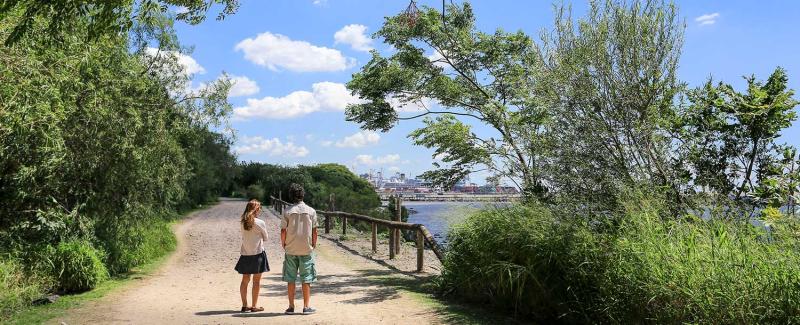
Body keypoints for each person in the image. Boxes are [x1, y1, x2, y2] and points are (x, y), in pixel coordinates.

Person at [280, 183, 318, 315]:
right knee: (306, 278)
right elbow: (314, 231)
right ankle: (306, 306)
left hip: (291, 248)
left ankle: (291, 307)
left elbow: (283, 231)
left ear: (291, 196)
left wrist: (284, 244)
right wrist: (313, 244)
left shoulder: (287, 211)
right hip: (306, 249)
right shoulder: (311, 211)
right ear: (303, 195)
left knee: (290, 278)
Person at [234, 199, 270, 312]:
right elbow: (266, 238)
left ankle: (245, 305)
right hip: (258, 254)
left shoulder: (242, 222)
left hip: (245, 254)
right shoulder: (260, 223)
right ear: (257, 210)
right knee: (256, 281)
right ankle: (254, 306)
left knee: (245, 280)